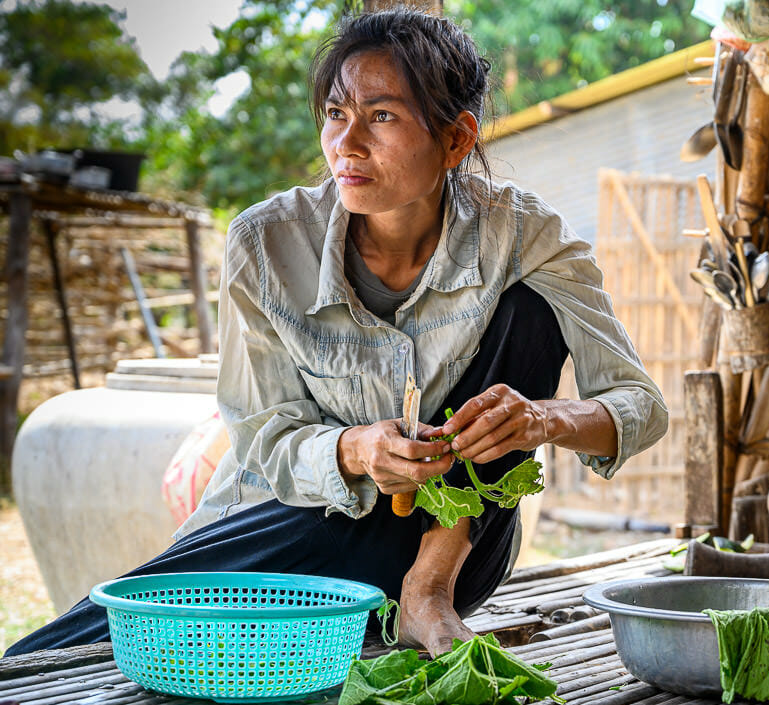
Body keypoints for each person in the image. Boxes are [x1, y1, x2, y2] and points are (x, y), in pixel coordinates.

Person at [5, 6, 667, 659]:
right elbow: (265, 438)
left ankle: (426, 592)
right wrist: (352, 451)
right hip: (300, 520)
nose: (345, 144)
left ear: (457, 139)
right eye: (335, 113)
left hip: (456, 548)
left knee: (529, 308)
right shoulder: (265, 243)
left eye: (380, 115)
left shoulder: (525, 233)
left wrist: (546, 419)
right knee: (103, 629)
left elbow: (640, 404)